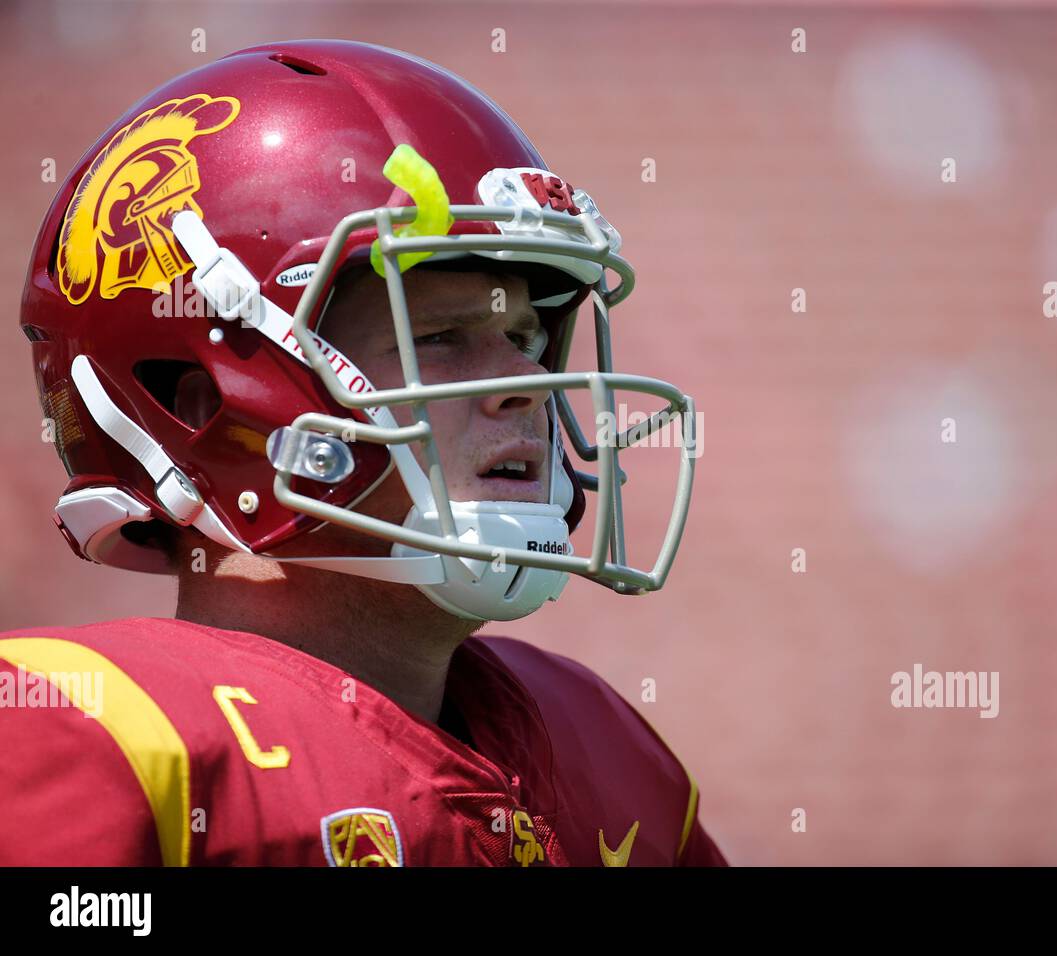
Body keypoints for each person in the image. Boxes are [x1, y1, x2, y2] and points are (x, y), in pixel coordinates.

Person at [1, 39, 724, 867]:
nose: (526, 381)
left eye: (525, 336)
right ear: (204, 402)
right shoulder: (97, 739)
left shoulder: (608, 750)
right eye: (440, 337)